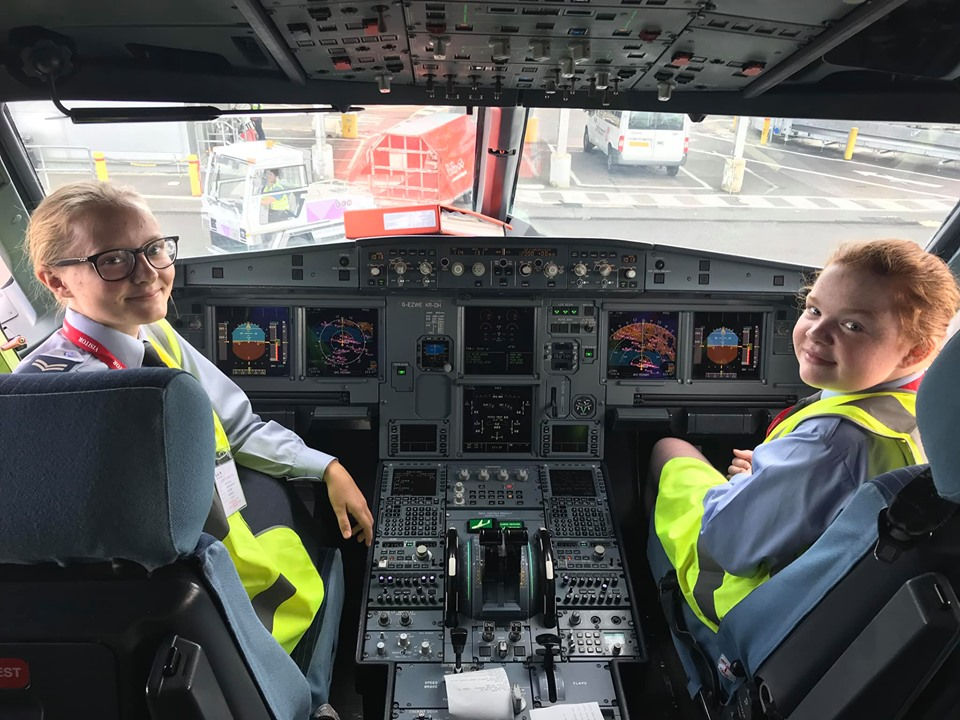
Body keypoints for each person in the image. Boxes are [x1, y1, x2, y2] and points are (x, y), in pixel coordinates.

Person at [15, 181, 373, 712]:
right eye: (112, 260)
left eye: (154, 249)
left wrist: (326, 467)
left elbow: (238, 426)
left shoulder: (152, 333)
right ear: (56, 281)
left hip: (217, 564)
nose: (147, 273)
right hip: (198, 610)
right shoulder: (53, 402)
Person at [648, 238, 960, 634]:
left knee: (669, 448)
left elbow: (725, 543)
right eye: (814, 309)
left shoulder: (831, 443)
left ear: (915, 351)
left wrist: (745, 483)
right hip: (842, 604)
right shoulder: (935, 410)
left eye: (853, 325)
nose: (817, 332)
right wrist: (773, 476)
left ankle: (657, 603)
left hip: (749, 613)